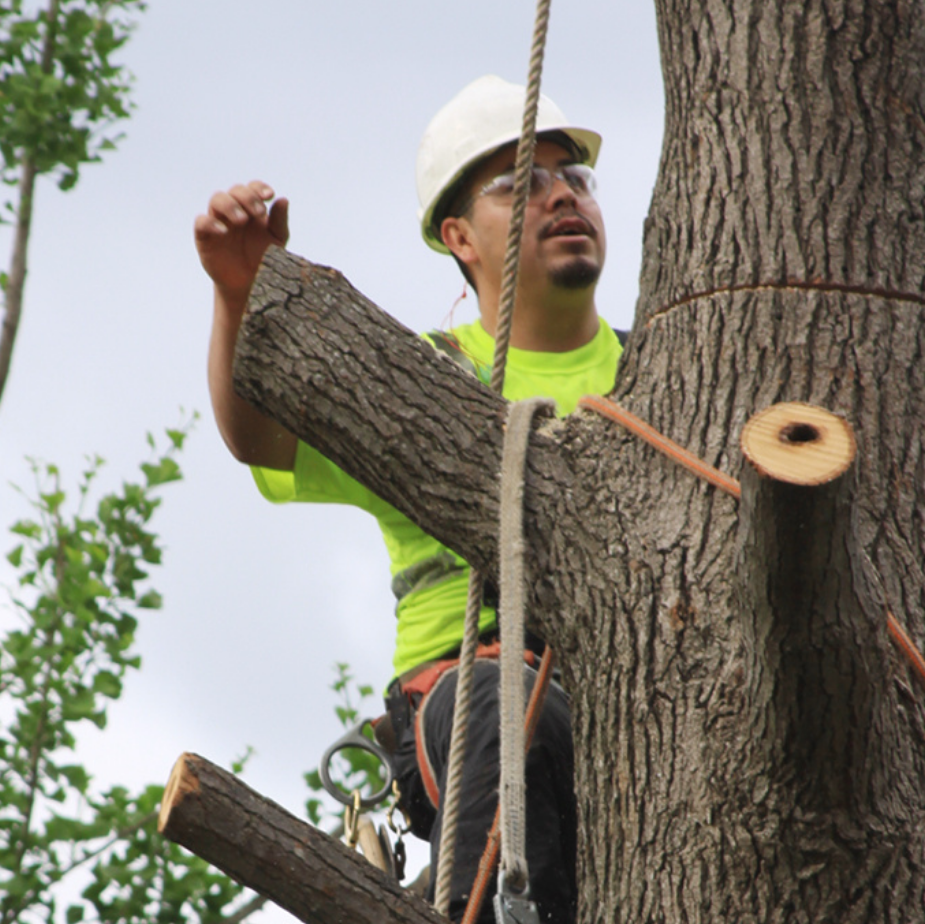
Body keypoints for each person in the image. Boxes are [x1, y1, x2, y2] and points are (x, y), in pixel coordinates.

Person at [195, 74, 623, 924]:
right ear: (458, 236)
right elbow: (259, 439)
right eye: (521, 184)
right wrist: (237, 297)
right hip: (471, 709)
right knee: (502, 709)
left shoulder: (666, 376)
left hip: (631, 704)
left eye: (573, 177)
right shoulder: (425, 381)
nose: (561, 197)